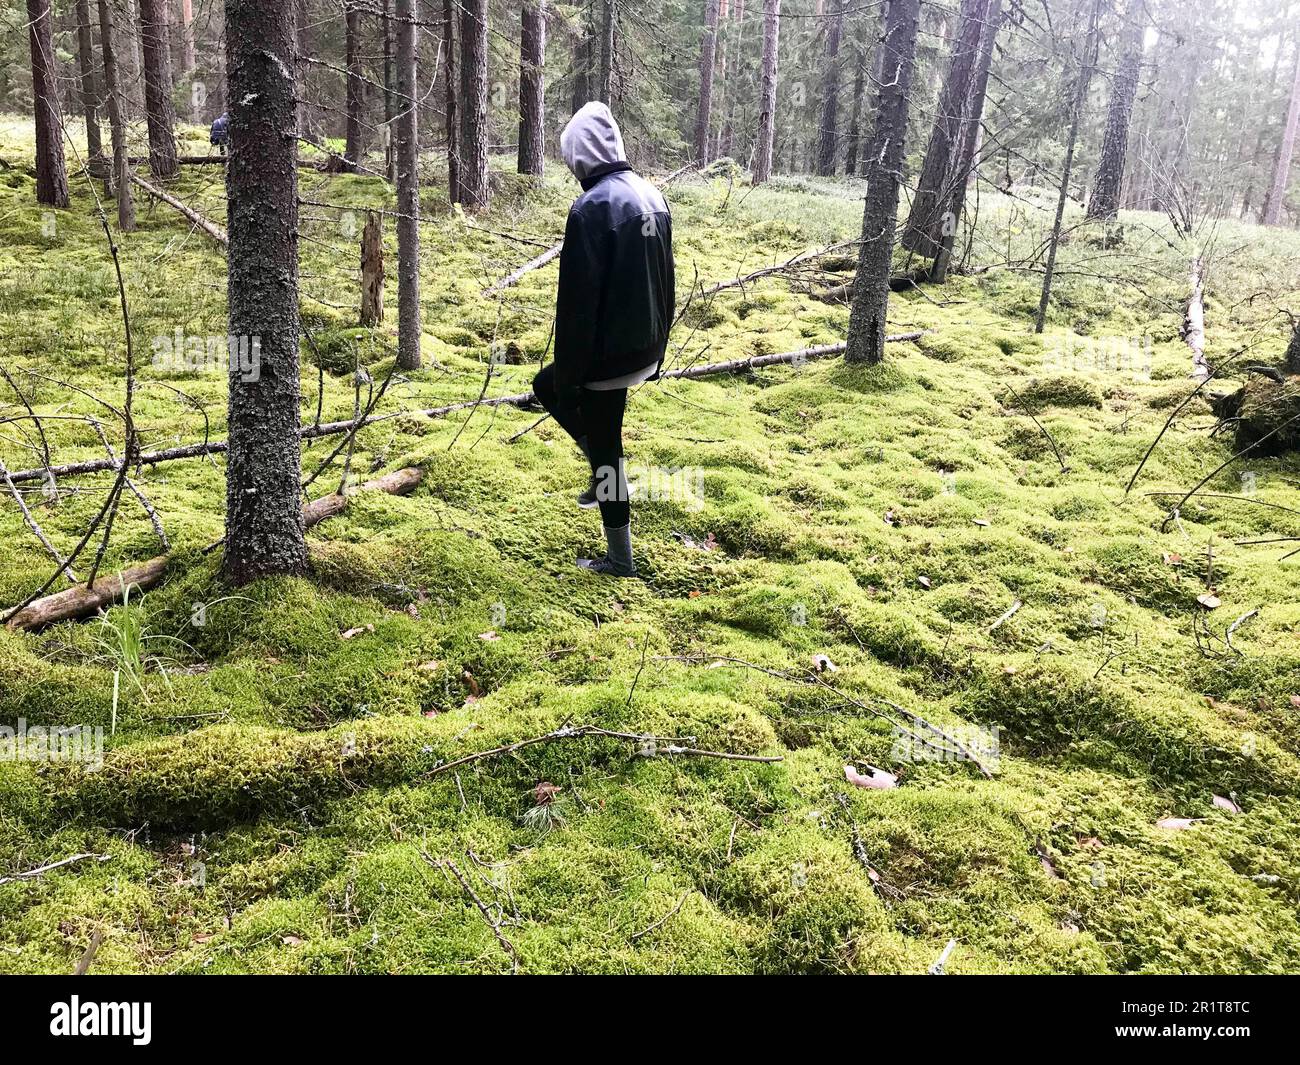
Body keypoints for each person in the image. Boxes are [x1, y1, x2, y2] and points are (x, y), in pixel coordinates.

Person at [532, 103, 675, 577]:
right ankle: (601, 471)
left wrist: (572, 378)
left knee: (603, 445)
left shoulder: (590, 209)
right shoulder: (651, 195)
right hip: (644, 348)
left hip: (607, 358)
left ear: (582, 157)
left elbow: (576, 307)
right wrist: (660, 347)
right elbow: (666, 283)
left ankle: (619, 558)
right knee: (547, 388)